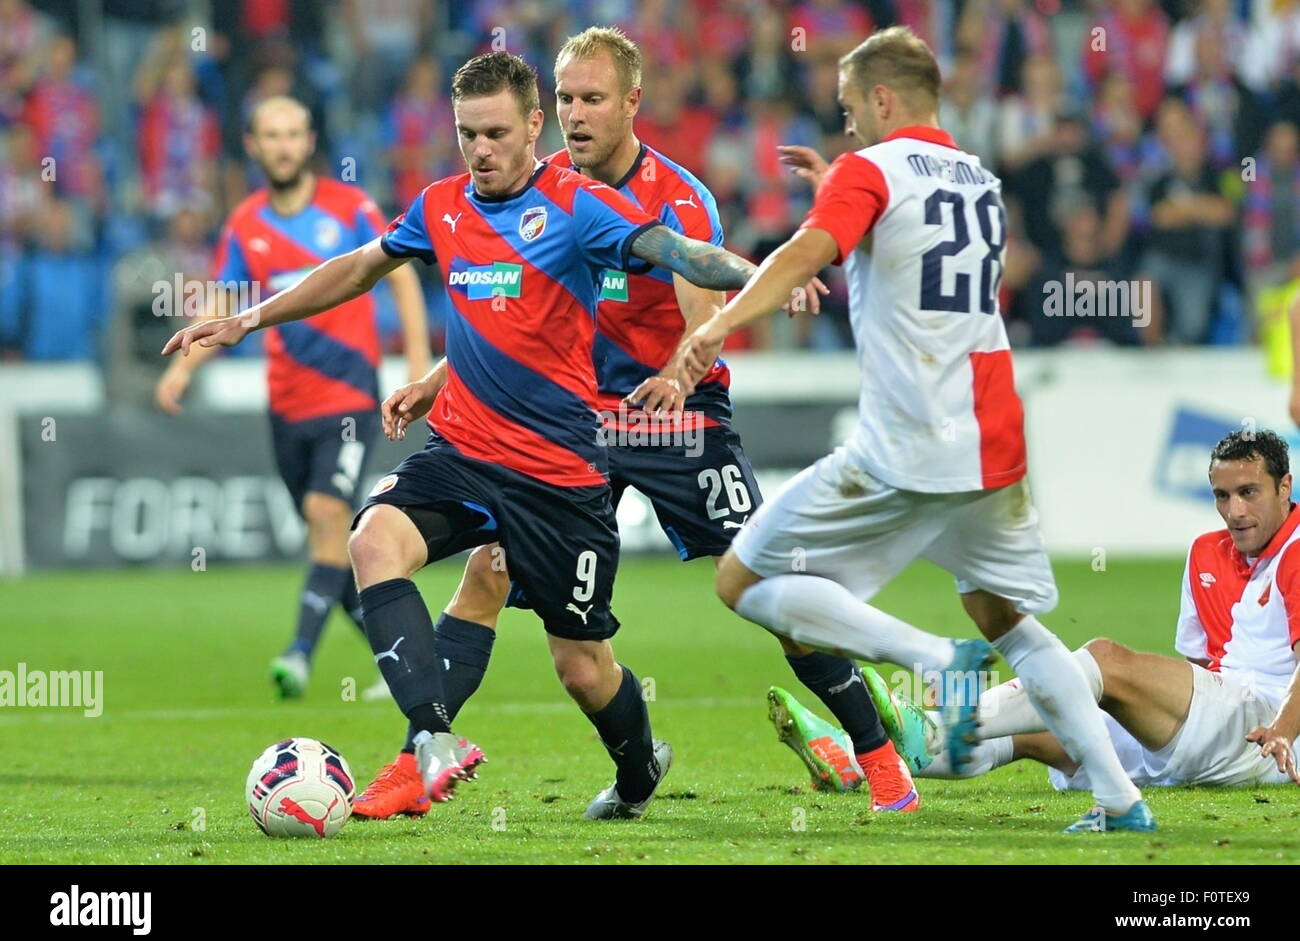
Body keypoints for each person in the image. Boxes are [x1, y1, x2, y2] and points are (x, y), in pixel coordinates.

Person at [163, 52, 760, 815]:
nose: (480, 150)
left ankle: (640, 764)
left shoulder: (577, 206)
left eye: (496, 133)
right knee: (371, 538)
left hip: (559, 475)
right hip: (466, 449)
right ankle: (430, 736)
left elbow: (682, 253)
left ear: (534, 126)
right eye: (466, 134)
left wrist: (766, 273)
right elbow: (358, 266)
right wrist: (249, 316)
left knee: (582, 665)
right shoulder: (442, 204)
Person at [352, 26, 911, 822]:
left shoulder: (677, 196)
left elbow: (700, 303)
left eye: (594, 99)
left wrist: (677, 369)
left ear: (632, 104)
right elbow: (516, 313)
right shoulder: (536, 189)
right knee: (493, 580)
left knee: (762, 585)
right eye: (568, 99)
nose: (578, 115)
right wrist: (440, 380)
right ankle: (420, 758)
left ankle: (879, 753)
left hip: (673, 419)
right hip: (575, 426)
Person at [678, 26, 1154, 833]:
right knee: (1006, 618)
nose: (847, 125)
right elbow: (905, 235)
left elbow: (812, 251)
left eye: (850, 109)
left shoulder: (869, 170)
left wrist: (721, 321)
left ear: (883, 99)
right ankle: (1121, 800)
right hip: (993, 440)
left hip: (908, 441)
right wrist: (844, 183)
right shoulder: (978, 179)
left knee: (743, 583)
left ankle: (936, 662)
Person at [154, 96, 431, 700]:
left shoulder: (350, 208)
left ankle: (299, 654)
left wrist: (414, 365)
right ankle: (409, 655)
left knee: (330, 520)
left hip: (349, 403)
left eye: (293, 133)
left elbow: (404, 273)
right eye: (270, 135)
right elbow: (224, 304)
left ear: (309, 142)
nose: (282, 145)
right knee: (325, 543)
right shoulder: (246, 225)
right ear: (253, 146)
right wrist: (184, 371)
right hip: (286, 407)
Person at [876, 429, 1300, 793]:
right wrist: (1151, 706)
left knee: (1105, 661)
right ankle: (872, 759)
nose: (1235, 511)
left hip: (1274, 735)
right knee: (1047, 728)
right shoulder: (1205, 552)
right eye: (1222, 496)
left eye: (1248, 493)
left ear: (1284, 486)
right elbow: (1199, 671)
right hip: (1216, 726)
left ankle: (941, 724)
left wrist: (1283, 729)